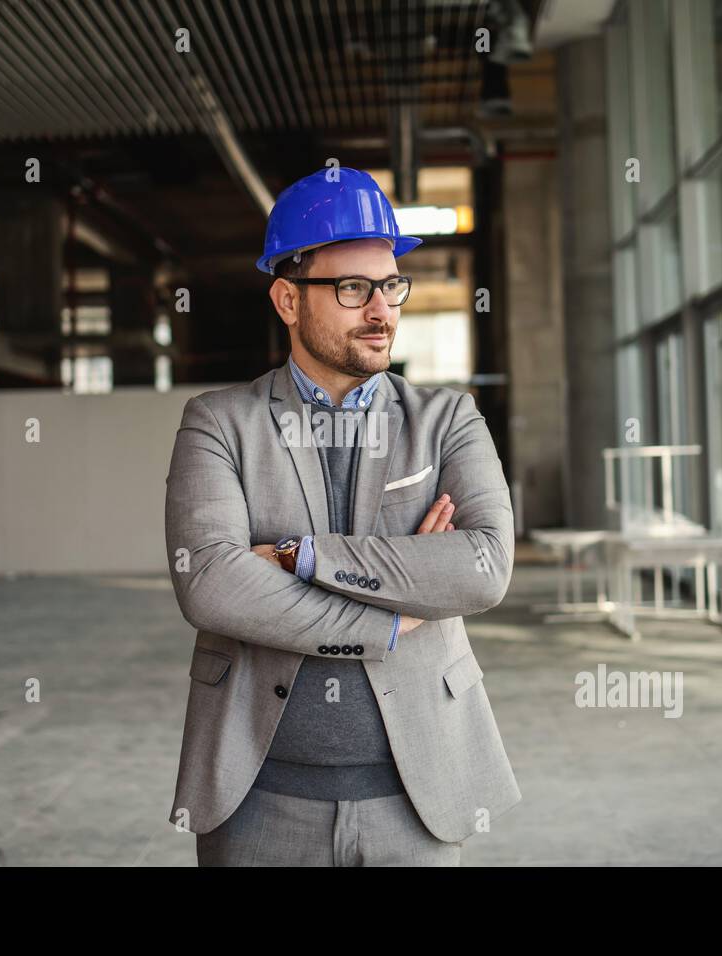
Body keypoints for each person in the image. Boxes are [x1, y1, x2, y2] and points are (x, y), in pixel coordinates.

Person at [165, 167, 520, 866]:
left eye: (392, 286)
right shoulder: (218, 423)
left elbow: (484, 569)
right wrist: (393, 615)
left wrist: (300, 557)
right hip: (257, 799)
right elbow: (209, 584)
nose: (382, 310)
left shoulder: (448, 420)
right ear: (288, 299)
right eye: (354, 288)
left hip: (417, 799)